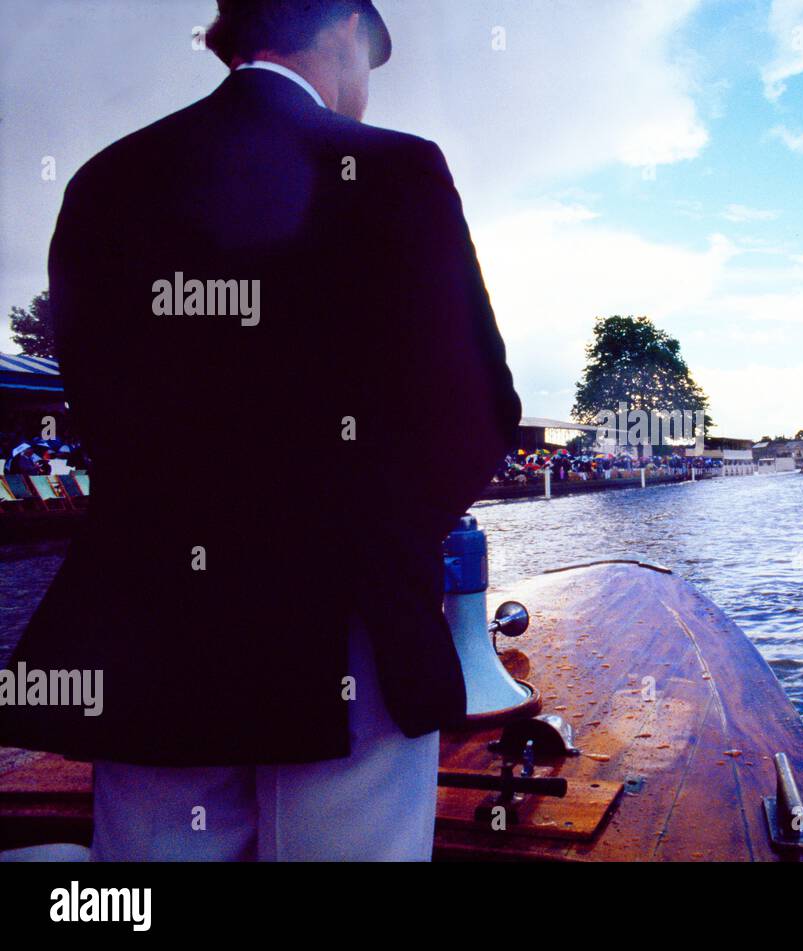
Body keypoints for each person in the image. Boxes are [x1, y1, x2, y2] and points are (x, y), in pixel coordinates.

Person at [0, 0, 520, 861]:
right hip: (347, 624)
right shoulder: (395, 168)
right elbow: (474, 409)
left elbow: (95, 402)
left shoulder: (104, 179)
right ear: (349, 28)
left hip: (151, 626)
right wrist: (381, 536)